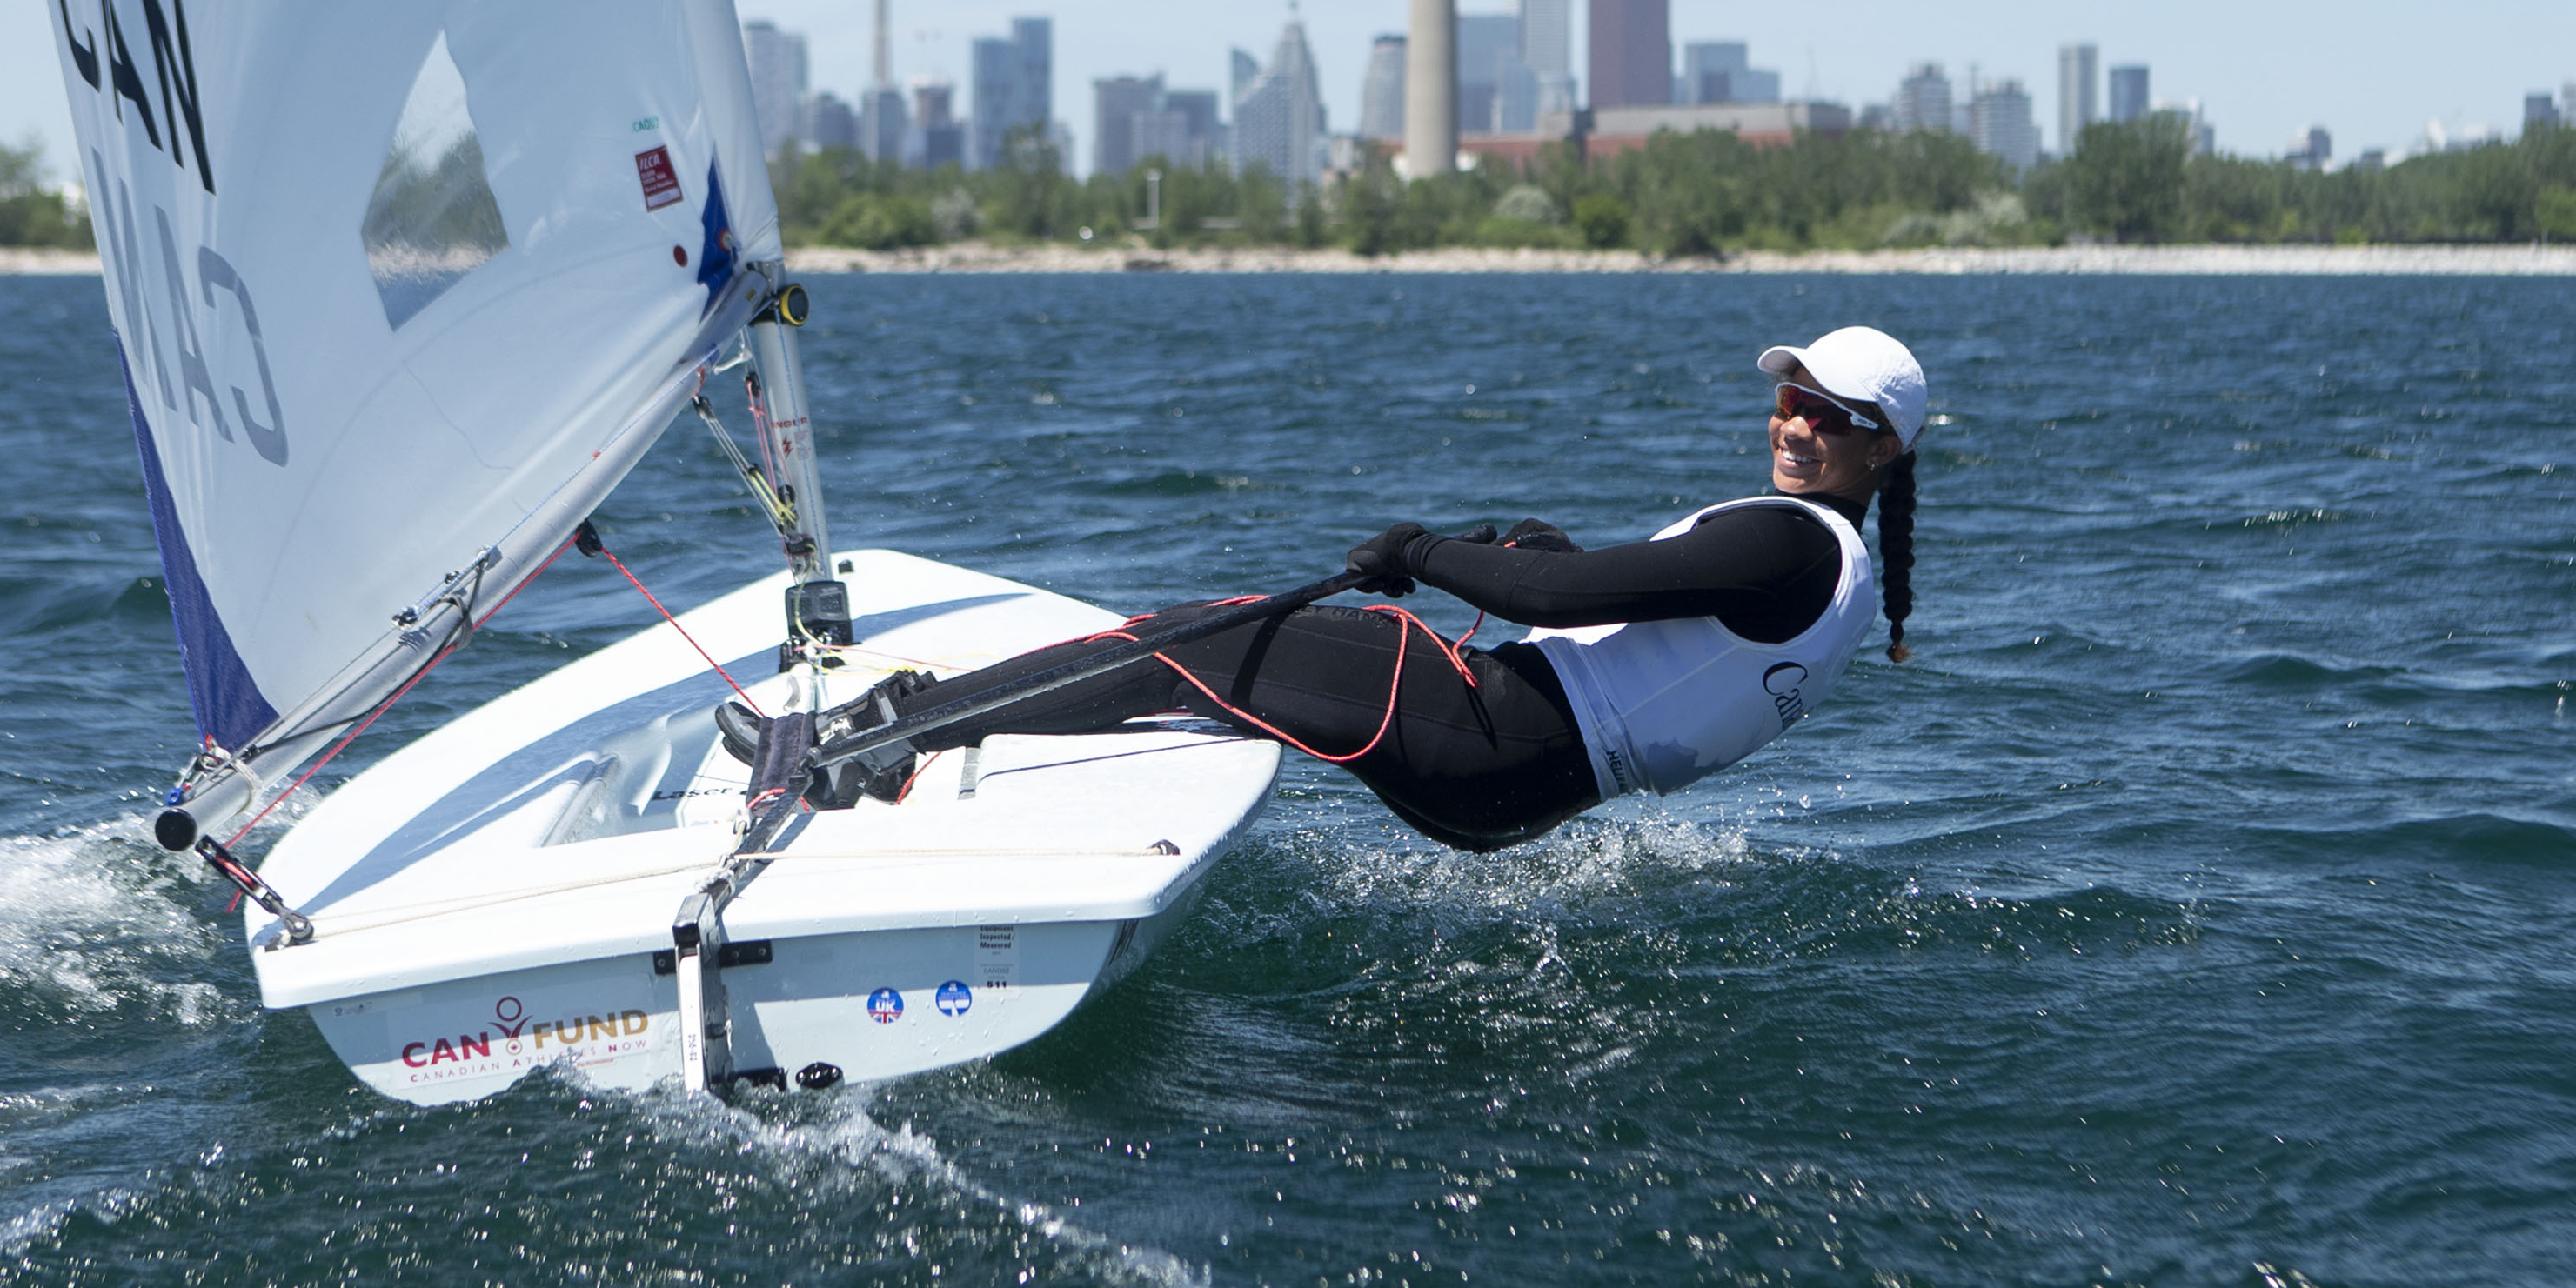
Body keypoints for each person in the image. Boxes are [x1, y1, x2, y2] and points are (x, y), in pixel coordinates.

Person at [780, 325, 1926, 852]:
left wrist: (1424, 553)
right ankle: (966, 745)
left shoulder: (1795, 544)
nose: (1797, 422)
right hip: (1522, 793)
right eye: (1791, 398)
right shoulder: (1842, 577)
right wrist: (1531, 544)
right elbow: (1624, 612)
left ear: (1884, 451)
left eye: (1832, 416)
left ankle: (874, 741)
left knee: (1193, 640)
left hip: (1494, 733)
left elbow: (1572, 607)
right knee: (1211, 670)